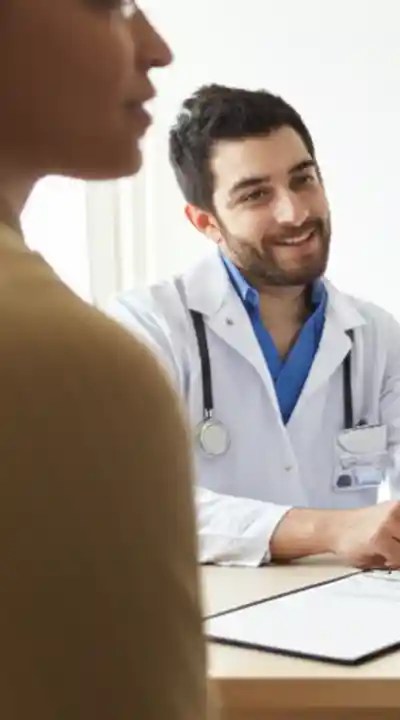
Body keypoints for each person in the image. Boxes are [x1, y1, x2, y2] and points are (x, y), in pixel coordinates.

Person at [109, 85, 400, 568]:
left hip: (345, 611)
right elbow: (133, 498)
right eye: (256, 194)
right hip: (211, 617)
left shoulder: (371, 332)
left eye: (303, 179)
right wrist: (326, 529)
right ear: (206, 222)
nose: (296, 211)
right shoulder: (149, 327)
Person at [0, 1, 207, 718]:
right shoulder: (65, 364)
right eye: (108, 5)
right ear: (204, 219)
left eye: (304, 181)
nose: (156, 47)